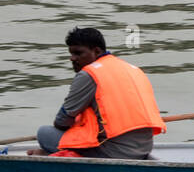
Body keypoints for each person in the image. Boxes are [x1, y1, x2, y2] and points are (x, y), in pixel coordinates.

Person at [27, 27, 166, 159]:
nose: (72, 58)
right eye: (71, 53)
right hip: (144, 148)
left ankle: (60, 154)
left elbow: (62, 122)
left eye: (78, 53)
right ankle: (52, 152)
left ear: (97, 51)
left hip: (115, 152)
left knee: (44, 133)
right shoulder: (133, 69)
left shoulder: (89, 74)